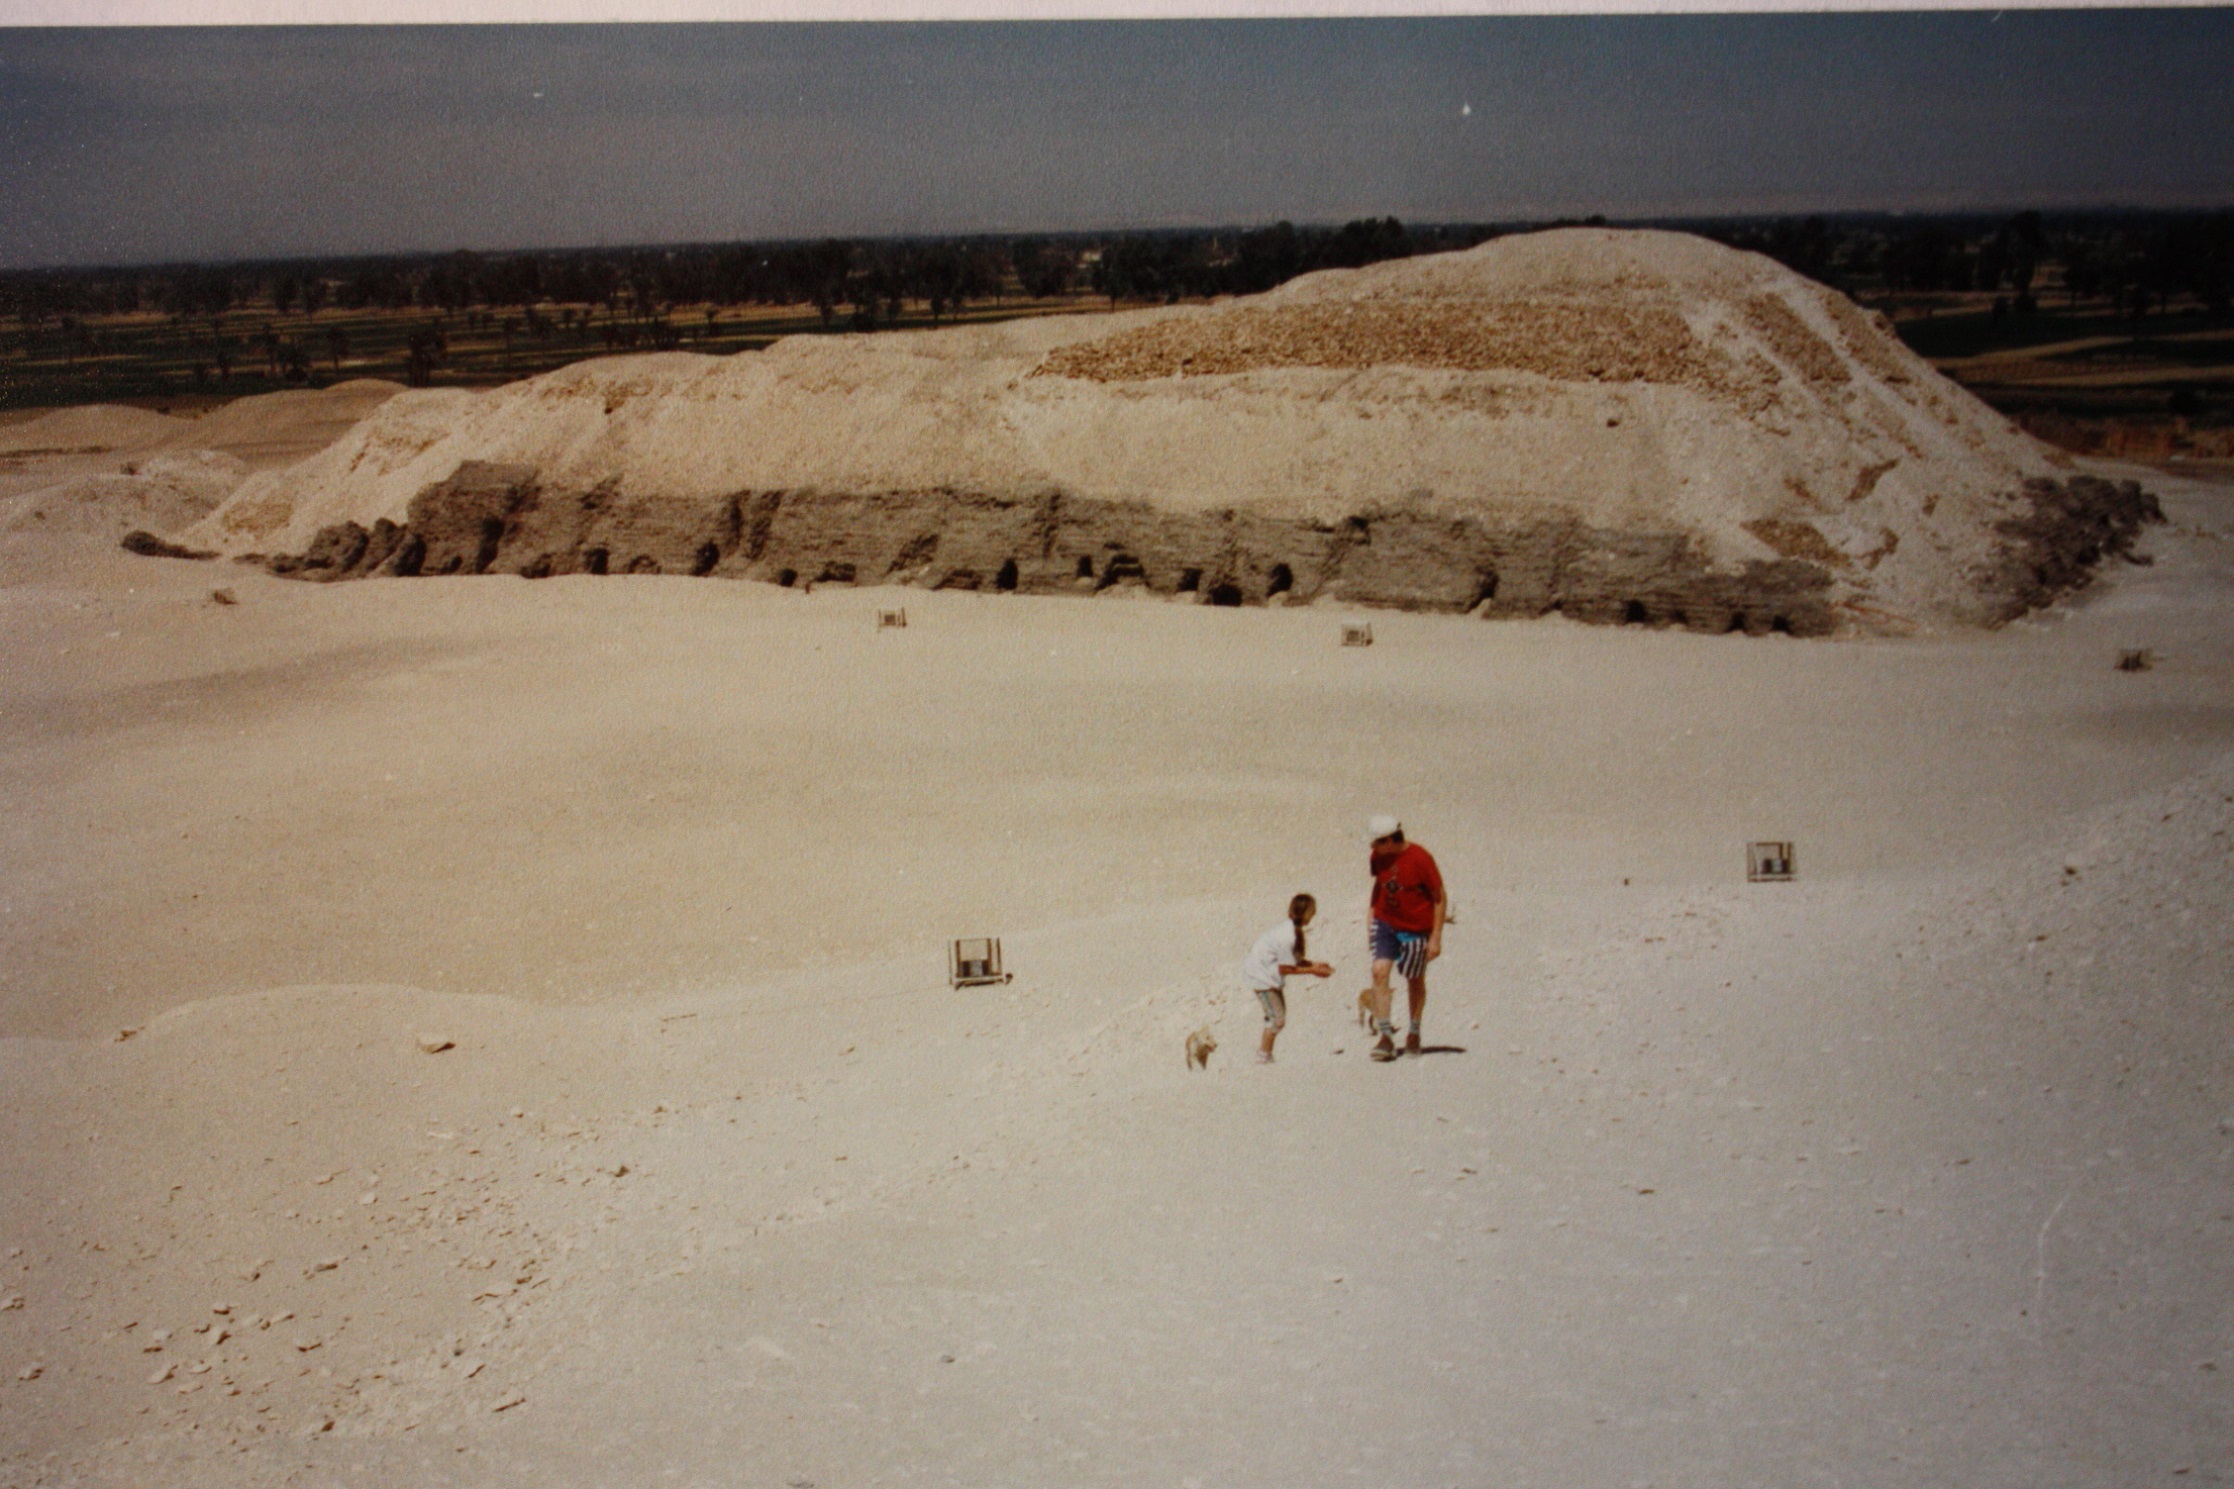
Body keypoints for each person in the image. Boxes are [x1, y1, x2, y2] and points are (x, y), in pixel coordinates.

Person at [1364, 815, 1445, 1061]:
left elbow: (1439, 897)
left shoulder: (1421, 859)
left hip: (1415, 928)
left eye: (1376, 842)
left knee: (1413, 977)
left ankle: (1414, 1030)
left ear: (1389, 840)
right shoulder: (1377, 857)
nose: (1372, 848)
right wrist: (1370, 915)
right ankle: (1386, 1036)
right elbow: (1379, 884)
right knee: (1379, 971)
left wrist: (1436, 937)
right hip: (1385, 922)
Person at [1241, 893, 1333, 1064]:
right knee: (1277, 1019)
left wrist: (1314, 964)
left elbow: (1293, 961)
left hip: (1268, 975)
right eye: (1312, 911)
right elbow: (1285, 967)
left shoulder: (1292, 931)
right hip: (1261, 976)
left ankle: (1265, 1055)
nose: (1314, 914)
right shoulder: (1287, 935)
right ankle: (1263, 1056)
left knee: (1275, 1018)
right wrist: (1312, 969)